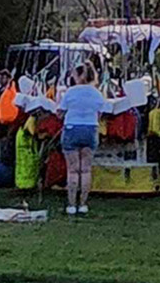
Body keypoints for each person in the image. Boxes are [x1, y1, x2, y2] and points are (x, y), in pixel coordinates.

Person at [55, 62, 126, 216]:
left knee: (73, 170)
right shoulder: (97, 93)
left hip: (72, 129)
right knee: (86, 169)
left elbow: (59, 112)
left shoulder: (70, 92)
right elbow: (101, 113)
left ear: (79, 75)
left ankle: (71, 204)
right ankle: (83, 204)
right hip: (90, 129)